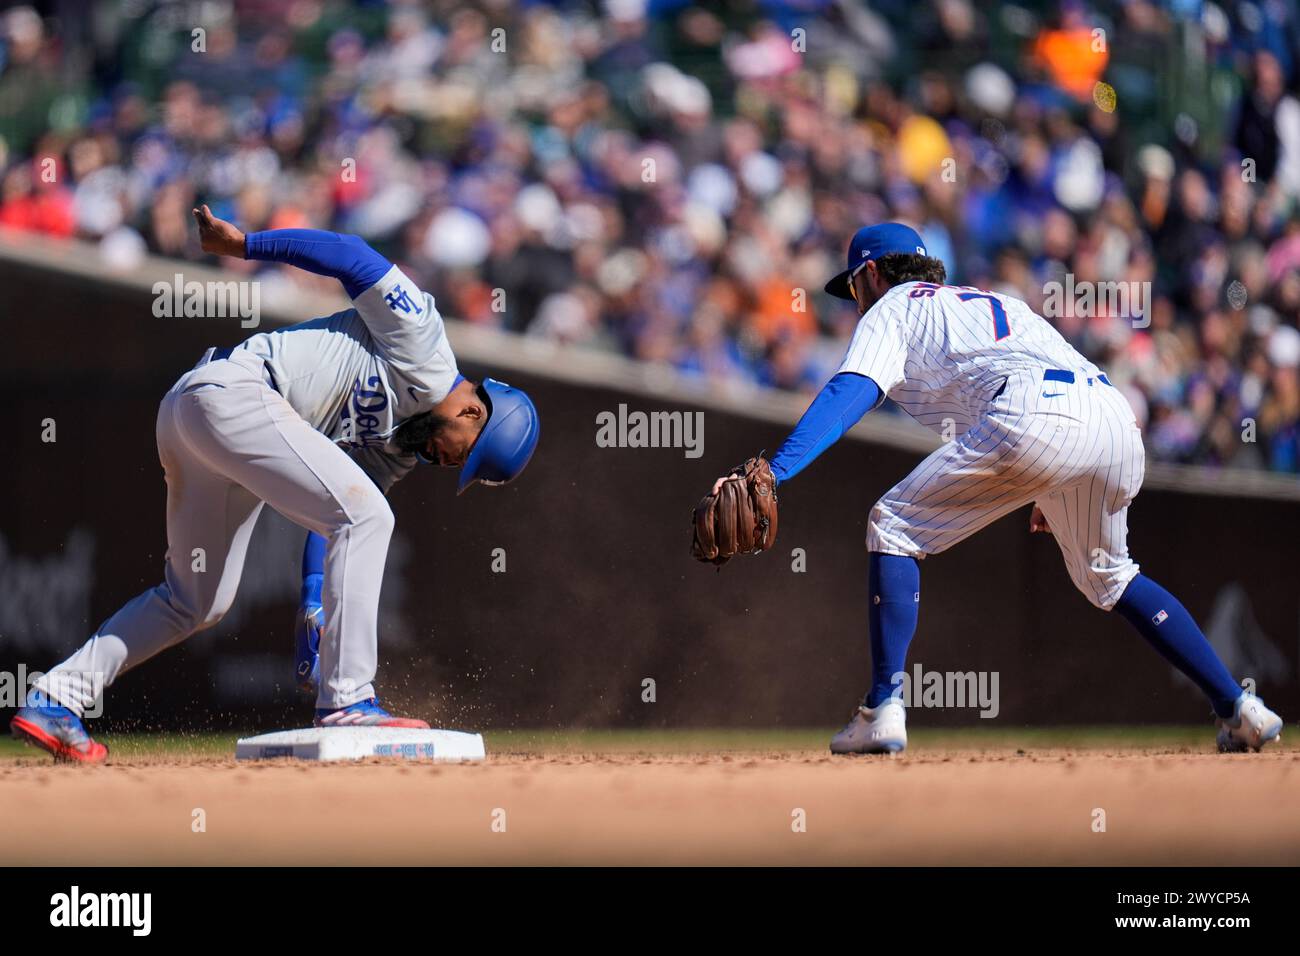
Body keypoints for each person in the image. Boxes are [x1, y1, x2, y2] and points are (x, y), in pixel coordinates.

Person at [711, 222, 1283, 755]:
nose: (854, 298)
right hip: (1113, 419)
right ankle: (1239, 708)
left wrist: (776, 469)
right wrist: (1049, 479)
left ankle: (882, 708)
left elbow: (852, 390)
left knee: (893, 523)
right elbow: (1052, 380)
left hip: (1034, 417)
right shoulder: (990, 304)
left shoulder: (891, 308)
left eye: (855, 284)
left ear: (873, 274)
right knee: (1110, 575)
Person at [9, 207, 540, 762]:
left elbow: (338, 518)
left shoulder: (404, 445)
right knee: (368, 518)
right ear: (475, 412)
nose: (455, 464)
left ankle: (56, 697)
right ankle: (349, 699)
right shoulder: (426, 346)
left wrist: (315, 602)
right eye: (468, 456)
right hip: (231, 394)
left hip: (207, 425)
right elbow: (349, 254)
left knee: (196, 600)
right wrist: (245, 245)